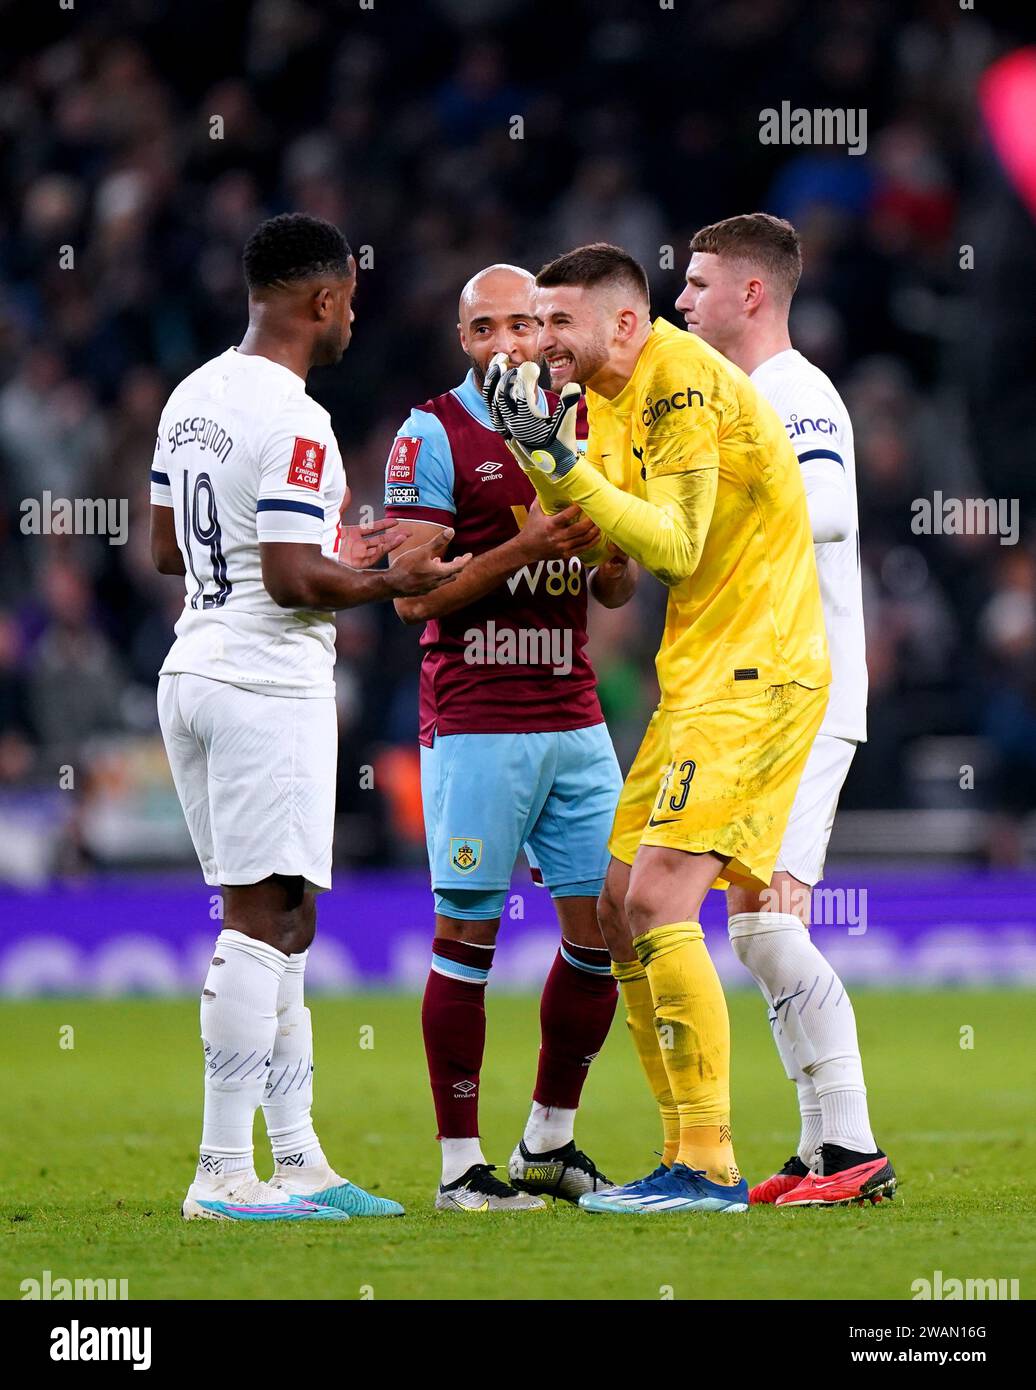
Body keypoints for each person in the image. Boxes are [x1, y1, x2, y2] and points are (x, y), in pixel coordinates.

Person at [483, 241, 830, 1215]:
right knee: (611, 900)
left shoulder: (678, 383)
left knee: (660, 903)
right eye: (536, 322)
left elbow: (671, 543)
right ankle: (682, 1155)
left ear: (623, 325)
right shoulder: (610, 399)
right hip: (702, 676)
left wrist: (558, 461)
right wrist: (538, 454)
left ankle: (709, 1165)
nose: (542, 338)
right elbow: (598, 536)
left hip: (753, 672)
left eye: (559, 322)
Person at [151, 213, 467, 1221]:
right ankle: (220, 1174)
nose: (353, 317)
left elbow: (168, 548)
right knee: (258, 920)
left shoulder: (194, 393)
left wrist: (348, 551)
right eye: (350, 300)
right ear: (321, 299)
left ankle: (296, 1160)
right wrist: (395, 575)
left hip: (194, 666)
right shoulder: (297, 418)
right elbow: (291, 580)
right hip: (261, 680)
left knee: (289, 916)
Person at [384, 264, 634, 1211]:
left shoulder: (579, 423)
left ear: (546, 331)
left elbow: (615, 589)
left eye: (521, 326)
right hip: (478, 719)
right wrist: (526, 547)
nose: (504, 345)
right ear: (463, 338)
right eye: (483, 328)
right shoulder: (432, 435)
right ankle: (458, 1169)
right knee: (466, 943)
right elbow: (412, 597)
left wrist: (602, 548)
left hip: (574, 715)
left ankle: (548, 1141)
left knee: (604, 927)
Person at [676, 212, 895, 1206]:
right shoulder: (745, 394)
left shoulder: (794, 394)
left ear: (750, 294)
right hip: (768, 694)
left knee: (765, 928)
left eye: (696, 282)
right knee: (762, 920)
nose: (681, 300)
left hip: (807, 691)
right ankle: (816, 1150)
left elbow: (833, 508)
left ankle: (850, 1146)